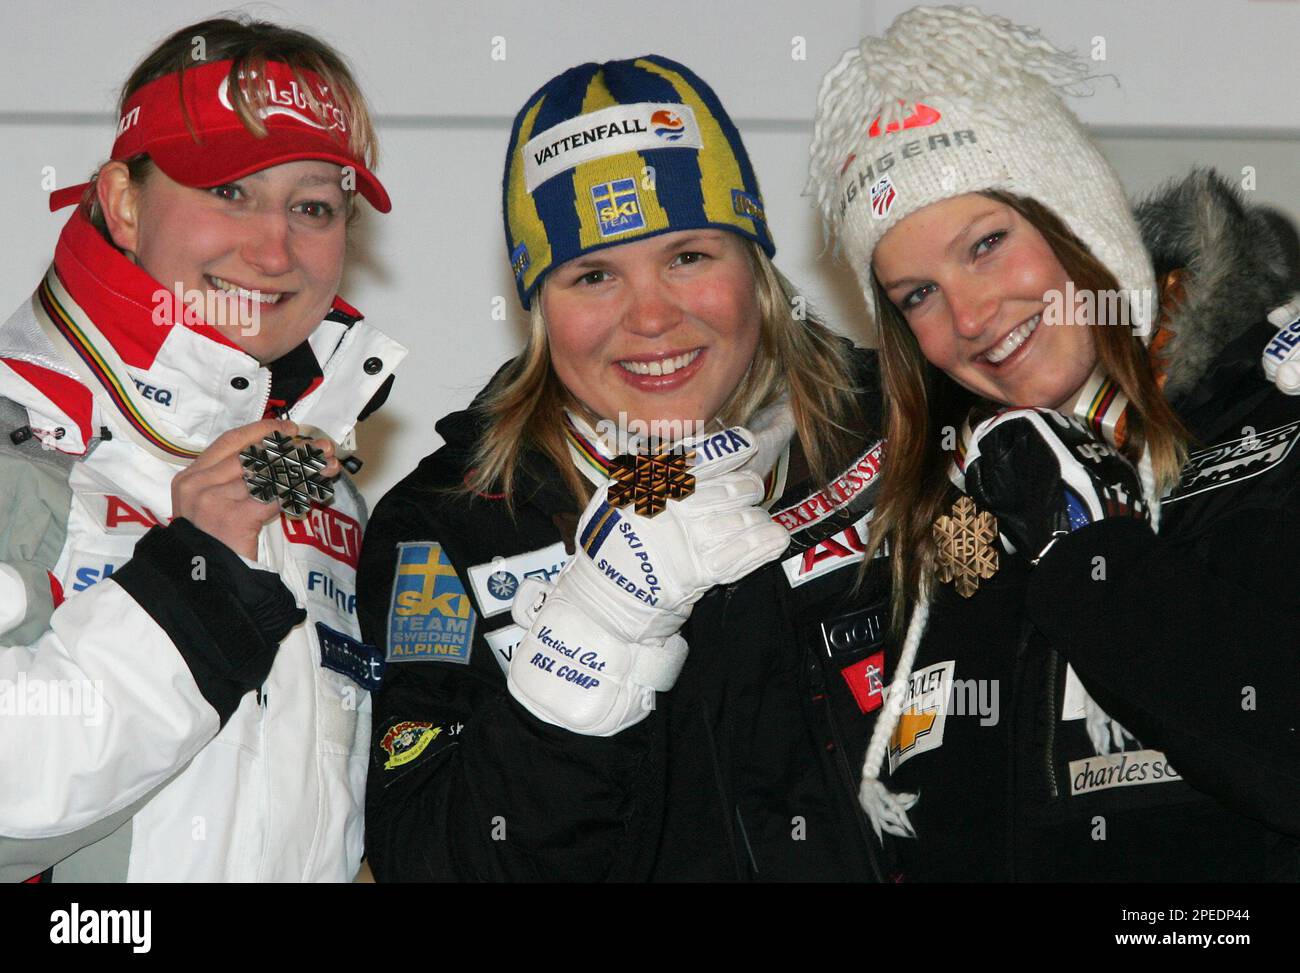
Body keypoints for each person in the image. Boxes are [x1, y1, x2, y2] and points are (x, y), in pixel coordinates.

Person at [359, 55, 896, 880]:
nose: (650, 316)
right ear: (538, 305)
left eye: (688, 256)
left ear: (755, 266)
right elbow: (433, 862)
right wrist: (589, 641)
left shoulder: (900, 430)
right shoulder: (450, 521)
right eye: (594, 274)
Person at [807, 4, 1300, 880]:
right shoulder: (942, 506)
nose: (968, 316)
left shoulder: (1272, 418)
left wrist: (1091, 549)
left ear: (1079, 216)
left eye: (988, 244)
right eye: (917, 293)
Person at [0, 16, 405, 881]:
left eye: (312, 207)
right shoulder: (14, 434)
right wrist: (200, 583)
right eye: (230, 192)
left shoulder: (322, 483)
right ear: (123, 200)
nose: (272, 249)